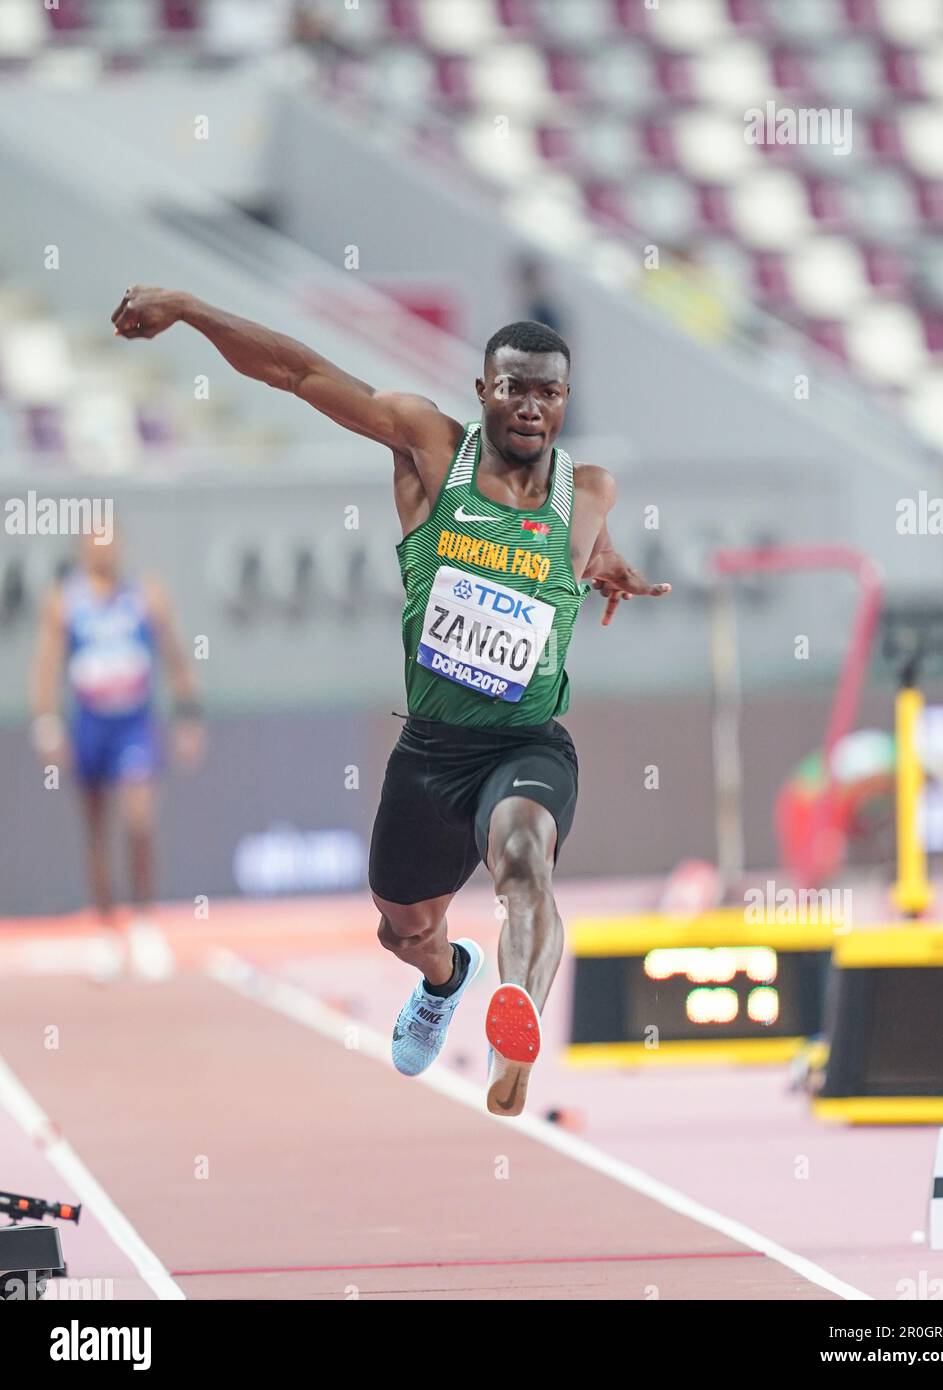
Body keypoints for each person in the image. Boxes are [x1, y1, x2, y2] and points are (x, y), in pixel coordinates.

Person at [110, 286, 670, 1114]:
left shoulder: (588, 492)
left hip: (525, 746)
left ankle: (514, 1024)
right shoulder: (427, 448)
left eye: (546, 392)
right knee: (403, 925)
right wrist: (191, 309)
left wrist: (603, 559)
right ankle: (446, 978)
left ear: (563, 400)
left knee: (524, 860)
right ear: (483, 392)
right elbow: (298, 373)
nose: (529, 405)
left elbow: (584, 532)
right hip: (431, 752)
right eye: (512, 387)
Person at [30, 531, 205, 981]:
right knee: (96, 828)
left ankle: (144, 923)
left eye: (111, 540)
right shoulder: (66, 601)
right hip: (91, 726)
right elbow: (47, 663)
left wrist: (187, 712)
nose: (104, 550)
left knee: (139, 821)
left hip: (134, 725)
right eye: (95, 541)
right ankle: (106, 930)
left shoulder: (145, 595)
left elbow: (174, 654)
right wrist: (47, 721)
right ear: (83, 549)